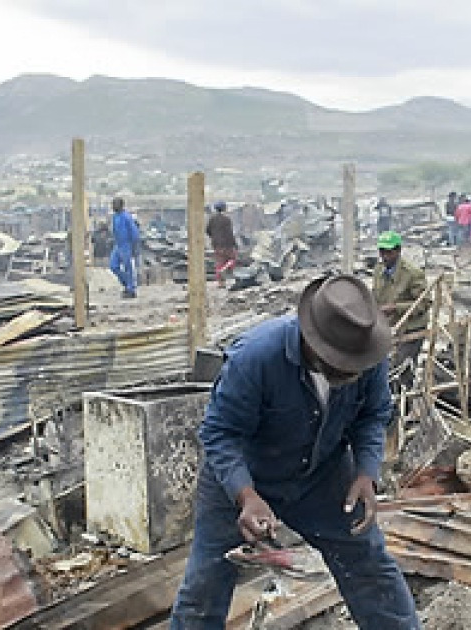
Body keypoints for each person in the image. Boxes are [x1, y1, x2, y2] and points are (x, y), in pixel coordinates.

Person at [169, 274, 419, 629]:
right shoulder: (255, 358)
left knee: (370, 567)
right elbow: (220, 433)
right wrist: (246, 496)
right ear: (314, 343)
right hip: (244, 476)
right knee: (204, 588)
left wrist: (366, 471)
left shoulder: (366, 353)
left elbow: (373, 415)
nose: (352, 371)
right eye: (341, 364)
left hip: (323, 474)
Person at [373, 231, 429, 373]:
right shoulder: (379, 270)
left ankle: (404, 391)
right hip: (390, 326)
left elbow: (424, 303)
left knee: (402, 369)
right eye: (382, 252)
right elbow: (375, 295)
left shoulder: (412, 274)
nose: (385, 257)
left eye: (389, 252)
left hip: (411, 327)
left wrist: (395, 308)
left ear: (398, 251)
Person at [110, 197, 141, 298]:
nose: (113, 206)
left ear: (121, 205)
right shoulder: (114, 217)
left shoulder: (126, 217)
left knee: (128, 267)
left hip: (126, 244)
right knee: (113, 266)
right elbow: (114, 230)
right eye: (112, 204)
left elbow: (134, 232)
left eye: (115, 204)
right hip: (118, 244)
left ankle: (131, 289)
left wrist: (134, 246)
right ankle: (127, 283)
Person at [206, 201, 238, 288]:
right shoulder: (226, 219)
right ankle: (225, 269)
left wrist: (214, 238)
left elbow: (208, 231)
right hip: (227, 244)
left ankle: (221, 283)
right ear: (224, 208)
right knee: (232, 259)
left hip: (216, 245)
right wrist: (235, 244)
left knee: (219, 262)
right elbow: (229, 233)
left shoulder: (211, 219)